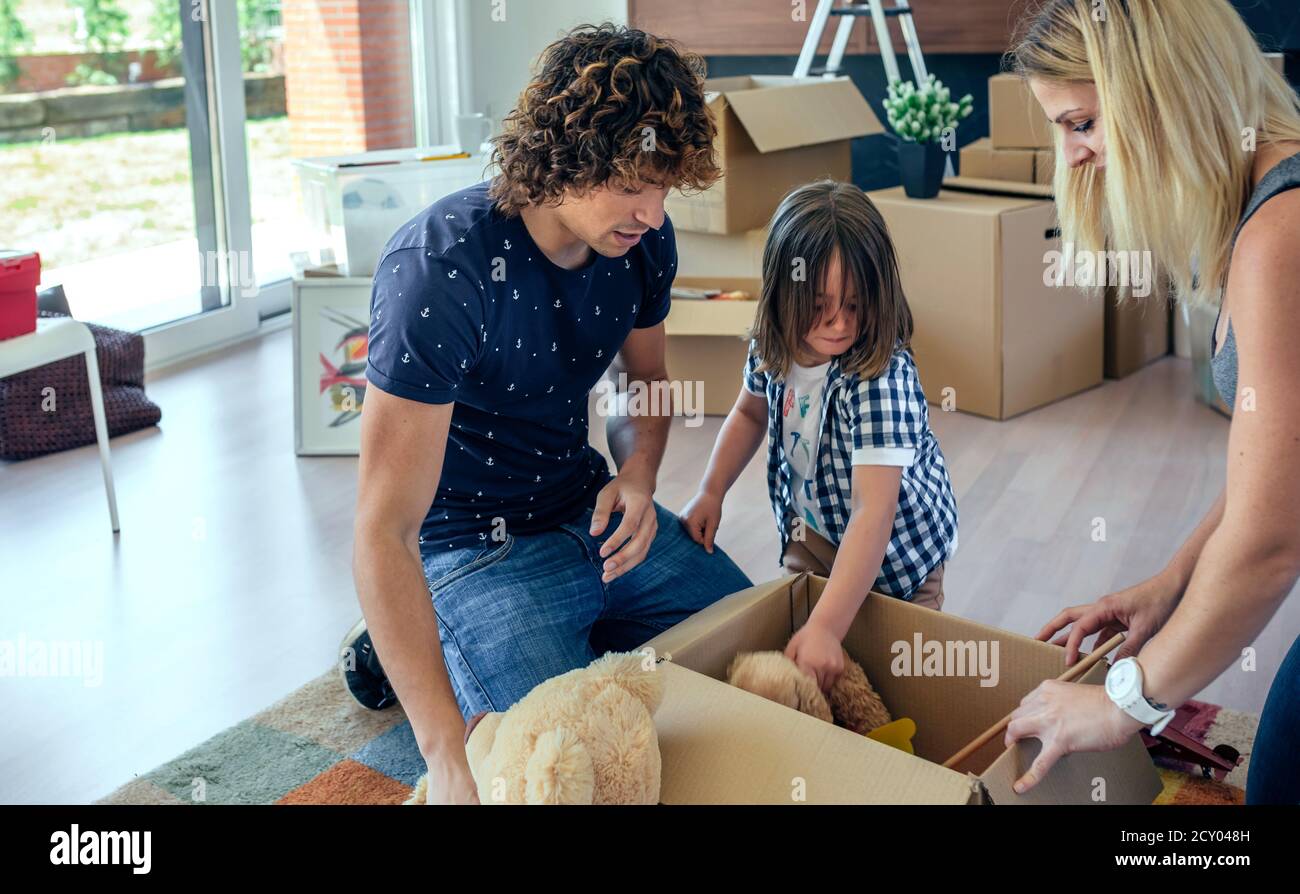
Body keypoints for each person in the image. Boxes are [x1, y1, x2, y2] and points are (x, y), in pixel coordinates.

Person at [347, 23, 752, 804]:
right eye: (635, 185)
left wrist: (638, 474)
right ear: (562, 158)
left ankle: (448, 646)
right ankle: (408, 646)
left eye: (666, 189)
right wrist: (447, 759)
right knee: (568, 768)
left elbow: (649, 382)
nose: (653, 214)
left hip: (590, 511)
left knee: (758, 654)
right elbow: (381, 529)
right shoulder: (439, 271)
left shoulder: (640, 247)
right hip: (472, 549)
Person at [1001, 0, 1300, 803]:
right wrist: (1171, 582)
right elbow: (1274, 480)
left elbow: (1272, 542)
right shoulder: (1268, 205)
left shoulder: (1281, 235)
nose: (1074, 156)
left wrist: (1121, 704)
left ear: (1162, 90)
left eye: (1085, 122)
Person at [680, 180, 958, 692]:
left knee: (900, 676)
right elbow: (747, 415)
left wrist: (828, 626)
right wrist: (711, 490)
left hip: (901, 555)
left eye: (854, 305)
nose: (837, 324)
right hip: (812, 529)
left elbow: (874, 510)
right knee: (808, 652)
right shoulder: (774, 343)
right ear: (784, 295)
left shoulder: (881, 376)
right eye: (819, 305)